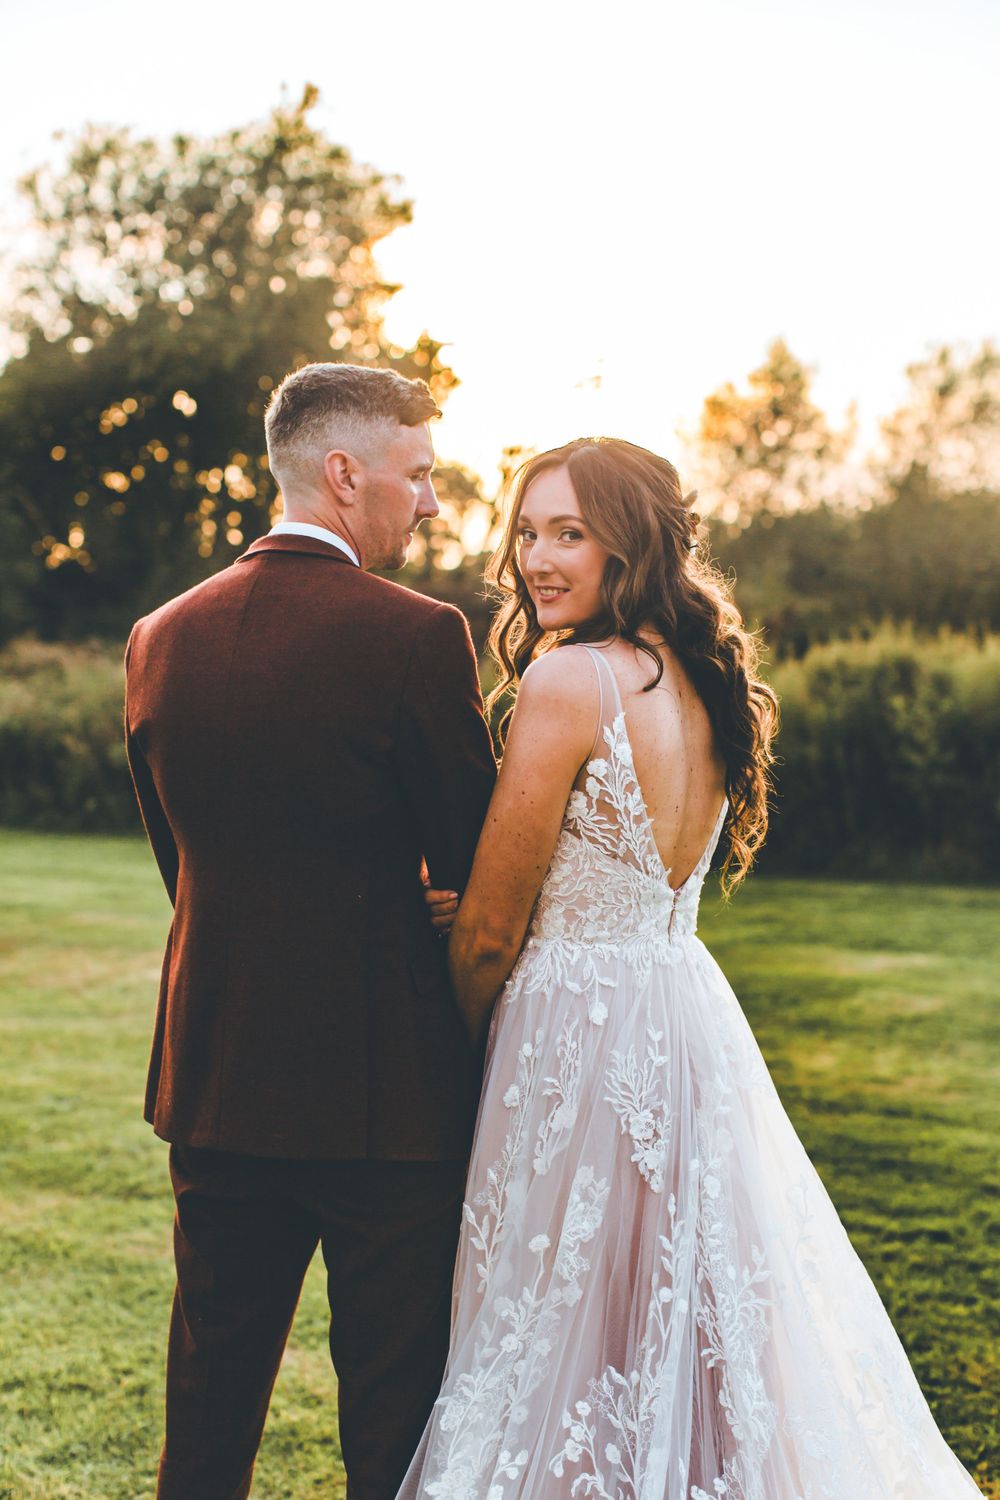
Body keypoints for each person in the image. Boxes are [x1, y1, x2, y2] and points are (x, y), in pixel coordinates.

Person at [405, 437, 984, 1498]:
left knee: (560, 1316)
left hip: (574, 1033)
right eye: (526, 532)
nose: (537, 558)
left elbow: (491, 930)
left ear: (631, 541)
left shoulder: (567, 678)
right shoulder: (704, 678)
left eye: (569, 533)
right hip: (680, 1012)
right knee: (681, 1307)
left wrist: (462, 1021)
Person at [124, 362, 496, 1500]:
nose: (429, 500)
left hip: (218, 1081)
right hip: (385, 1102)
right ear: (345, 474)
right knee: (390, 1426)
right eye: (417, 473)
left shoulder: (158, 635)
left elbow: (181, 865)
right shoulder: (419, 635)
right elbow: (479, 862)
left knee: (209, 1411)